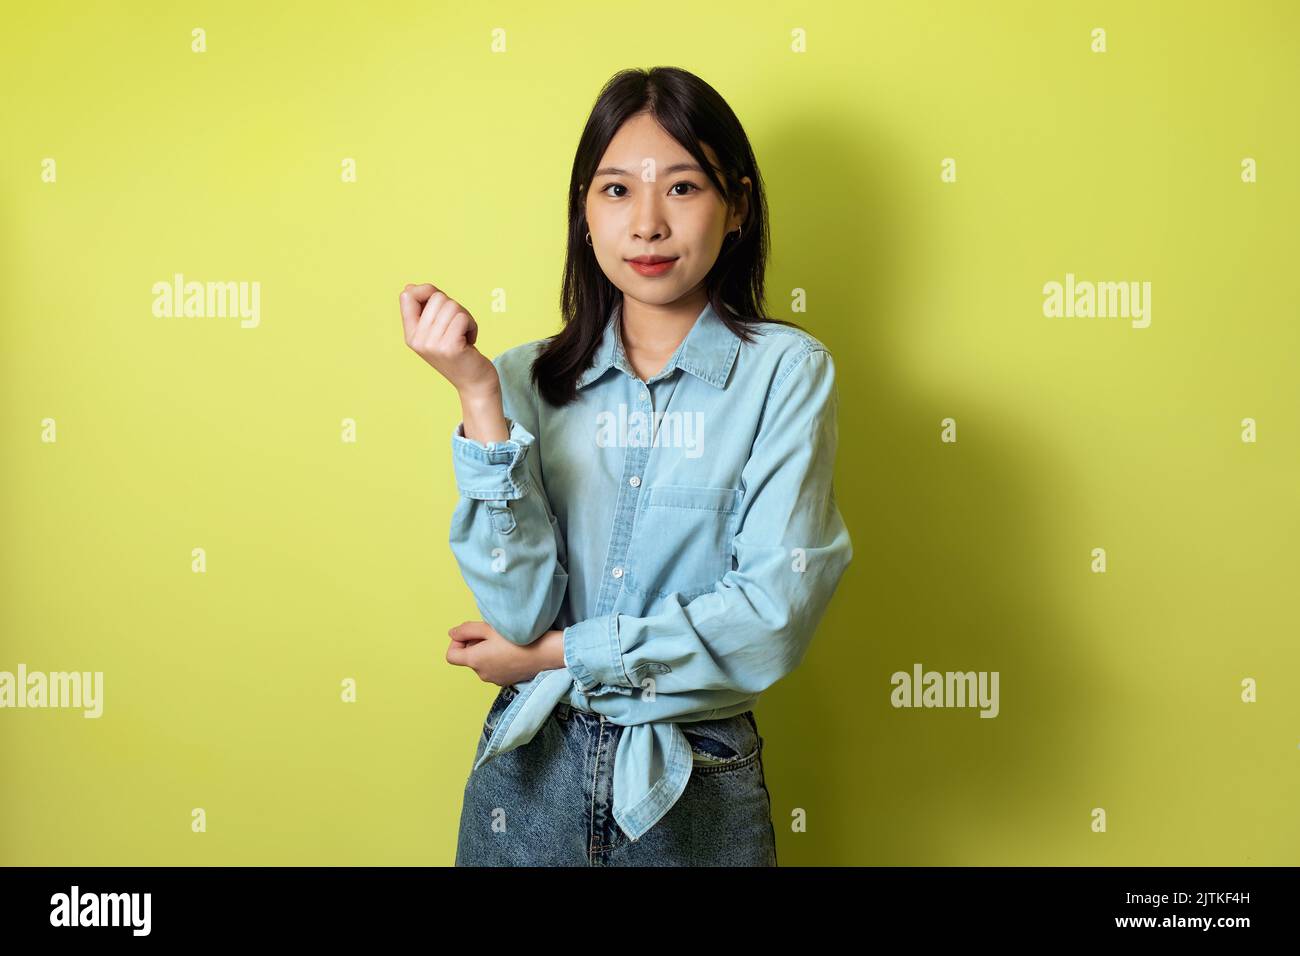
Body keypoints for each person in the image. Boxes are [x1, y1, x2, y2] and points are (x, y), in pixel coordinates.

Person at [399, 66, 853, 866]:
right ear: (584, 211)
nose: (646, 224)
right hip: (528, 779)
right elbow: (519, 608)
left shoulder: (787, 373)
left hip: (694, 784)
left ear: (737, 205)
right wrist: (476, 392)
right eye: (615, 191)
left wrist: (554, 657)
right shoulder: (519, 380)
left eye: (682, 188)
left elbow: (771, 617)